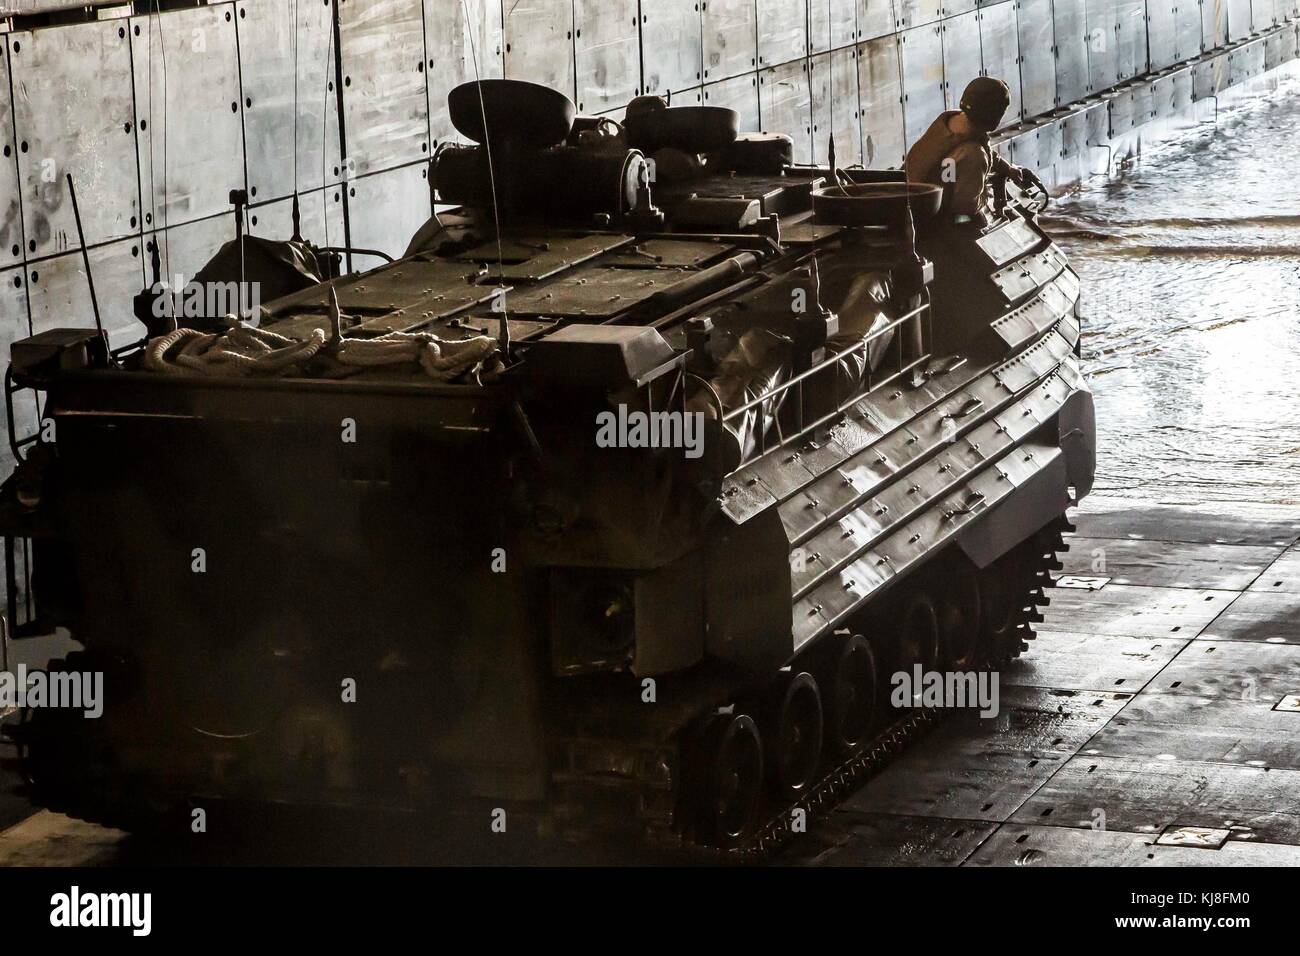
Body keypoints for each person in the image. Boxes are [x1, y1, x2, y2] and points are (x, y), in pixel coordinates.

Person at [905, 77, 1045, 226]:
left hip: (911, 203)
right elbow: (965, 210)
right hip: (931, 220)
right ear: (995, 119)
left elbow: (970, 152)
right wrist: (987, 198)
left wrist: (1007, 168)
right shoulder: (974, 156)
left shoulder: (949, 122)